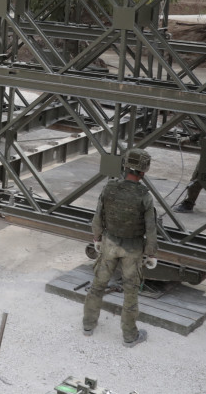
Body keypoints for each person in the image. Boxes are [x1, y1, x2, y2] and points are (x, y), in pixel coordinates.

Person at [83, 147, 158, 348]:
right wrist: (150, 253)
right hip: (132, 249)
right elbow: (151, 229)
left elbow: (97, 217)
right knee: (130, 292)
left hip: (109, 244)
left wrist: (97, 238)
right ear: (143, 171)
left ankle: (88, 326)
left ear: (125, 166)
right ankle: (129, 336)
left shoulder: (109, 188)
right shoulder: (145, 196)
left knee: (98, 285)